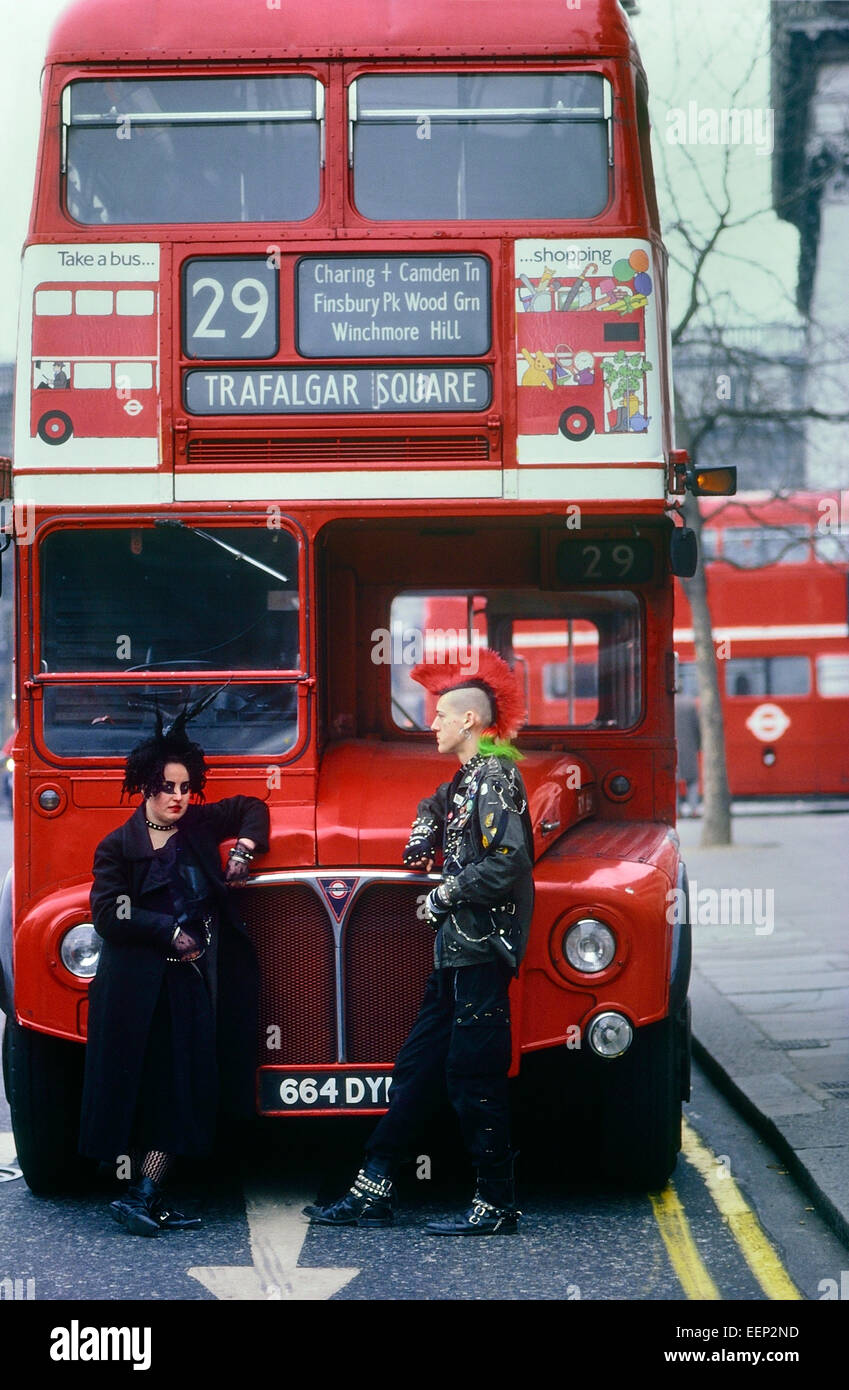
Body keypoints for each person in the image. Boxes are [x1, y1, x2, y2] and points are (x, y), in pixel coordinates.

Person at [305, 650, 534, 1236]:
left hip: (481, 951)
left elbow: (509, 862)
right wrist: (424, 829)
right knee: (416, 1067)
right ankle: (372, 1189)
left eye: (440, 715)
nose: (431, 723)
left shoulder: (498, 774)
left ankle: (496, 1204)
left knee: (472, 1076)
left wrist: (445, 894)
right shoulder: (468, 777)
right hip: (453, 955)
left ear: (469, 724)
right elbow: (437, 803)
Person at [78, 698, 270, 1237]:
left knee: (182, 1089)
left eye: (186, 788)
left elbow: (252, 805)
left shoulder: (199, 827)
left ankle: (145, 1193)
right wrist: (166, 929)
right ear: (147, 787)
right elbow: (107, 912)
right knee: (147, 1089)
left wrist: (246, 850)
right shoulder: (117, 845)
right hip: (136, 991)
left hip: (185, 985)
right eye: (169, 788)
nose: (180, 798)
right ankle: (141, 1193)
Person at [675, 691, 701, 817]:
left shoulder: (668, 704)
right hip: (690, 747)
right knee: (692, 780)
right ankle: (694, 809)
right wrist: (698, 745)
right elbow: (697, 726)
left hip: (672, 748)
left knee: (673, 781)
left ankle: (676, 811)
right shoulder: (690, 703)